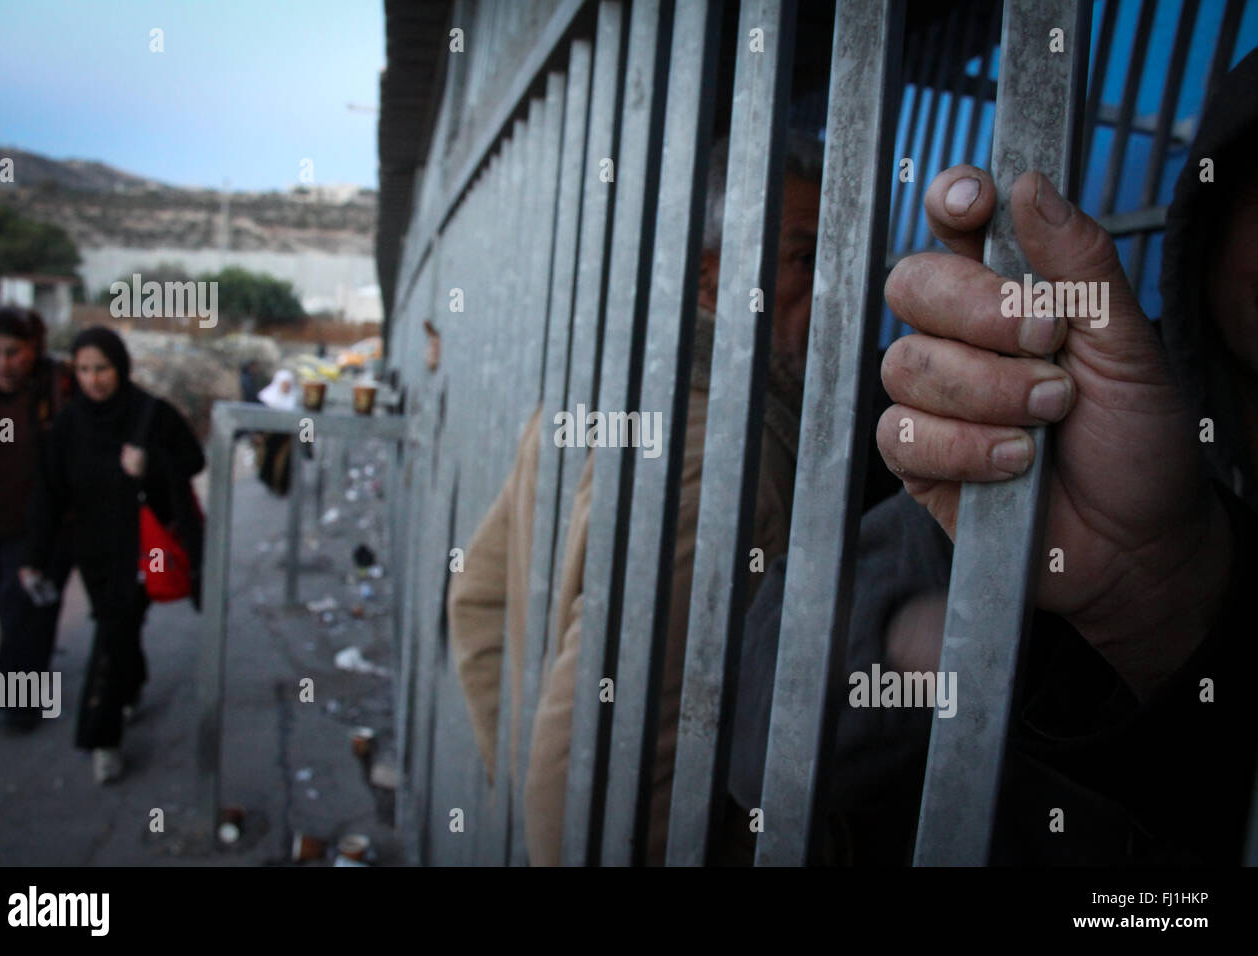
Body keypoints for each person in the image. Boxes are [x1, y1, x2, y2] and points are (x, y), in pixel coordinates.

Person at [728, 48, 1258, 865]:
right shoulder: (1083, 400)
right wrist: (925, 635)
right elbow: (763, 723)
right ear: (1212, 215)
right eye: (803, 258)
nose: (829, 285)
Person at [448, 128, 901, 864]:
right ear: (708, 279)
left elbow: (475, 601)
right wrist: (550, 801)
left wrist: (520, 760)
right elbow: (590, 789)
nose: (840, 289)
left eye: (852, 259)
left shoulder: (596, 393)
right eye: (806, 257)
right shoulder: (725, 462)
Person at [23, 326, 205, 784]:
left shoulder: (150, 413)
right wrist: (35, 555)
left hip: (149, 551)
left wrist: (151, 465)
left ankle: (101, 738)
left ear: (119, 366)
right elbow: (49, 492)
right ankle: (132, 680)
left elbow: (194, 460)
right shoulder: (68, 424)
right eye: (83, 370)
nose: (93, 379)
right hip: (96, 549)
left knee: (115, 625)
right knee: (119, 625)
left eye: (101, 368)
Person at [0, 307, 72, 731]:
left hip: (41, 528)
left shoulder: (58, 385)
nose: (2, 364)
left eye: (13, 353)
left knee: (19, 600)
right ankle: (30, 667)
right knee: (8, 601)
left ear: (33, 350)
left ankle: (19, 705)